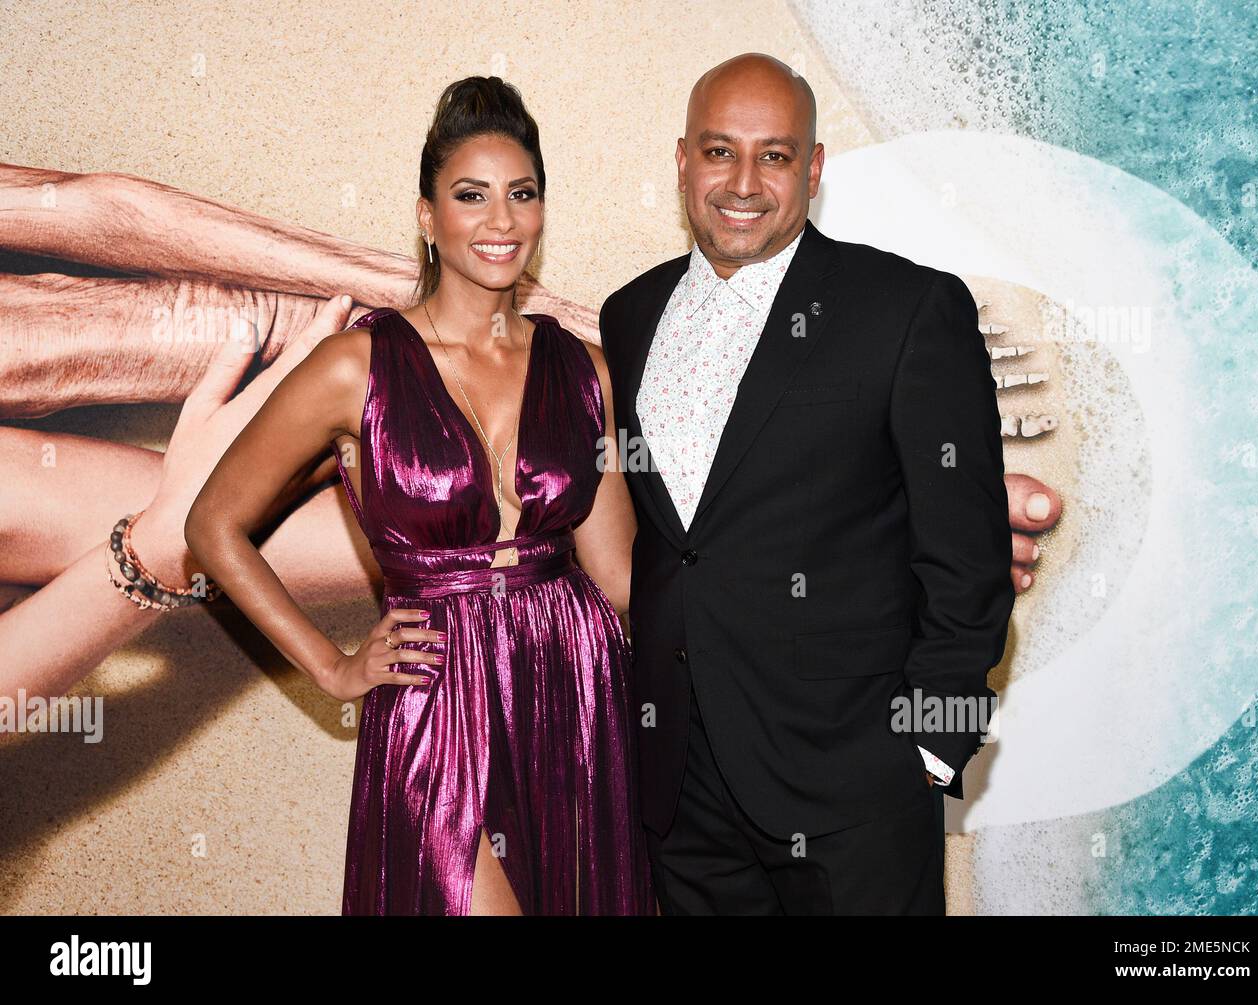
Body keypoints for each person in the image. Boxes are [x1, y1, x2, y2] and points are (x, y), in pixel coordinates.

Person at [184, 76, 656, 915]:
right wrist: (332, 666)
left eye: (522, 194)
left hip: (574, 690)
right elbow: (212, 524)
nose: (500, 220)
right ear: (428, 217)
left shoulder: (584, 367)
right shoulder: (354, 368)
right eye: (470, 196)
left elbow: (619, 572)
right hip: (438, 696)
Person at [598, 53, 1016, 914]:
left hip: (854, 793)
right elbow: (675, 545)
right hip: (683, 789)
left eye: (775, 155)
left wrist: (924, 757)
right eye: (719, 152)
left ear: (813, 169)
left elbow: (967, 560)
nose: (743, 181)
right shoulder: (630, 315)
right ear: (683, 161)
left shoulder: (907, 309)